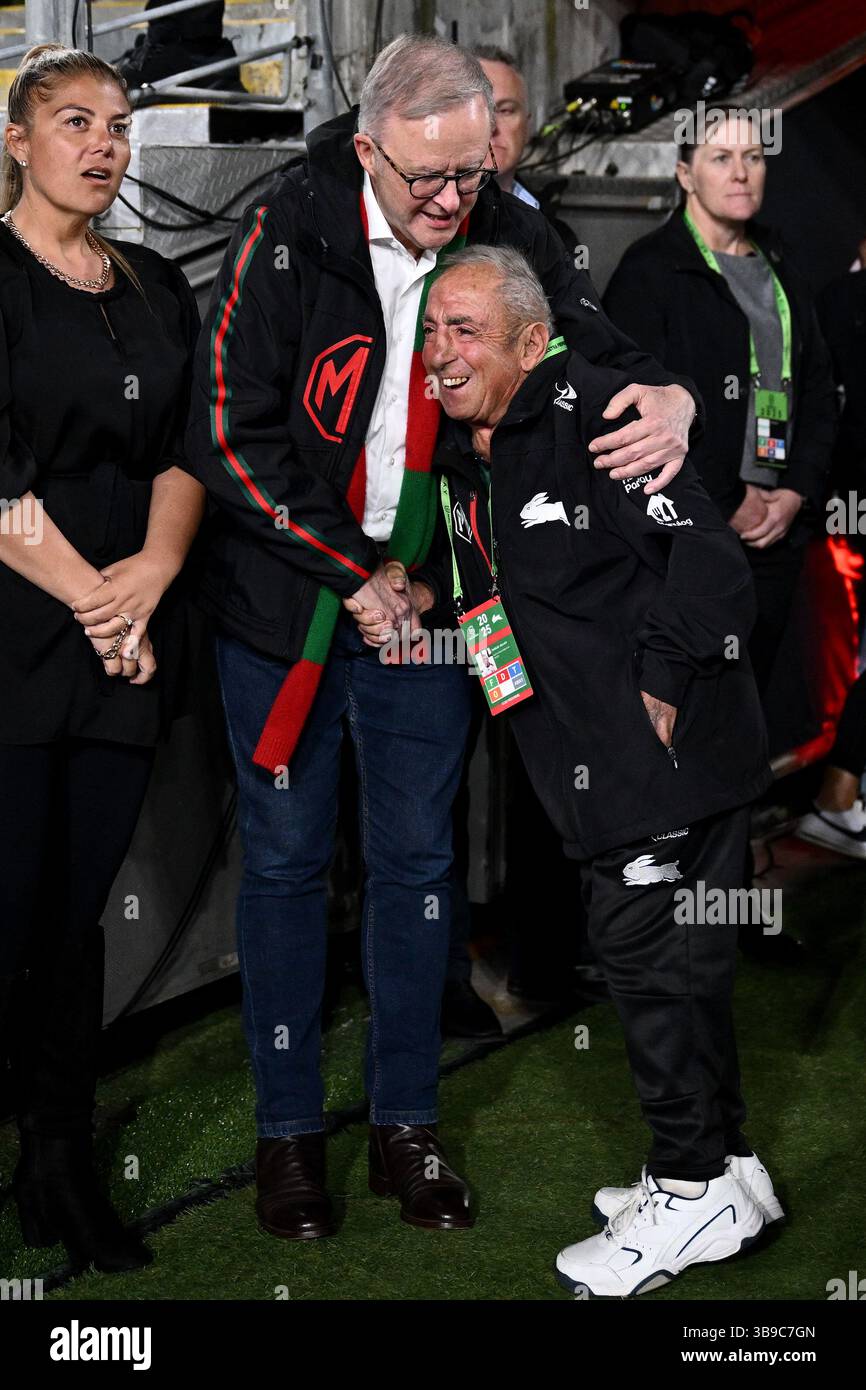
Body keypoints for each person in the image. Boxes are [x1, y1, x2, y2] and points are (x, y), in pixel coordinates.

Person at [185, 33, 700, 1242]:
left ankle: (405, 1128)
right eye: (424, 178)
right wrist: (351, 572)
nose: (448, 201)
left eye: (468, 172)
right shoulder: (286, 231)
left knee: (419, 869)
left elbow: (578, 344)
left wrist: (664, 391)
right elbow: (223, 430)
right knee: (282, 866)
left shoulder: (504, 224)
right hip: (285, 608)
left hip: (436, 604)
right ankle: (288, 1137)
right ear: (368, 148)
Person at [406, 244, 779, 1297]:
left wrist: (653, 696)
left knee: (644, 959)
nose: (440, 352)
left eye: (465, 331)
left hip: (653, 756)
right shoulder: (463, 449)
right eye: (433, 329)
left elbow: (709, 567)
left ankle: (686, 1179)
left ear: (533, 340)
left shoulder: (600, 414)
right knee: (686, 968)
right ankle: (730, 1168)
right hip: (604, 758)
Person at [0, 45, 204, 1271]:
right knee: (11, 908)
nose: (103, 144)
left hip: (127, 632)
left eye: (119, 125)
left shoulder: (155, 283)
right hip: (26, 630)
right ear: (17, 140)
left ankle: (59, 1161)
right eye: (73, 122)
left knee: (76, 917)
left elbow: (187, 449)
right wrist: (95, 601)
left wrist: (155, 576)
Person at [604, 110, 837, 702]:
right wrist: (728, 502)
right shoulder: (652, 271)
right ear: (685, 174)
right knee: (691, 706)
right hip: (692, 536)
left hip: (777, 529)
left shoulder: (781, 266)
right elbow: (628, 408)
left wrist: (797, 491)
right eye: (722, 158)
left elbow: (816, 388)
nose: (741, 174)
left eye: (753, 158)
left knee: (752, 704)